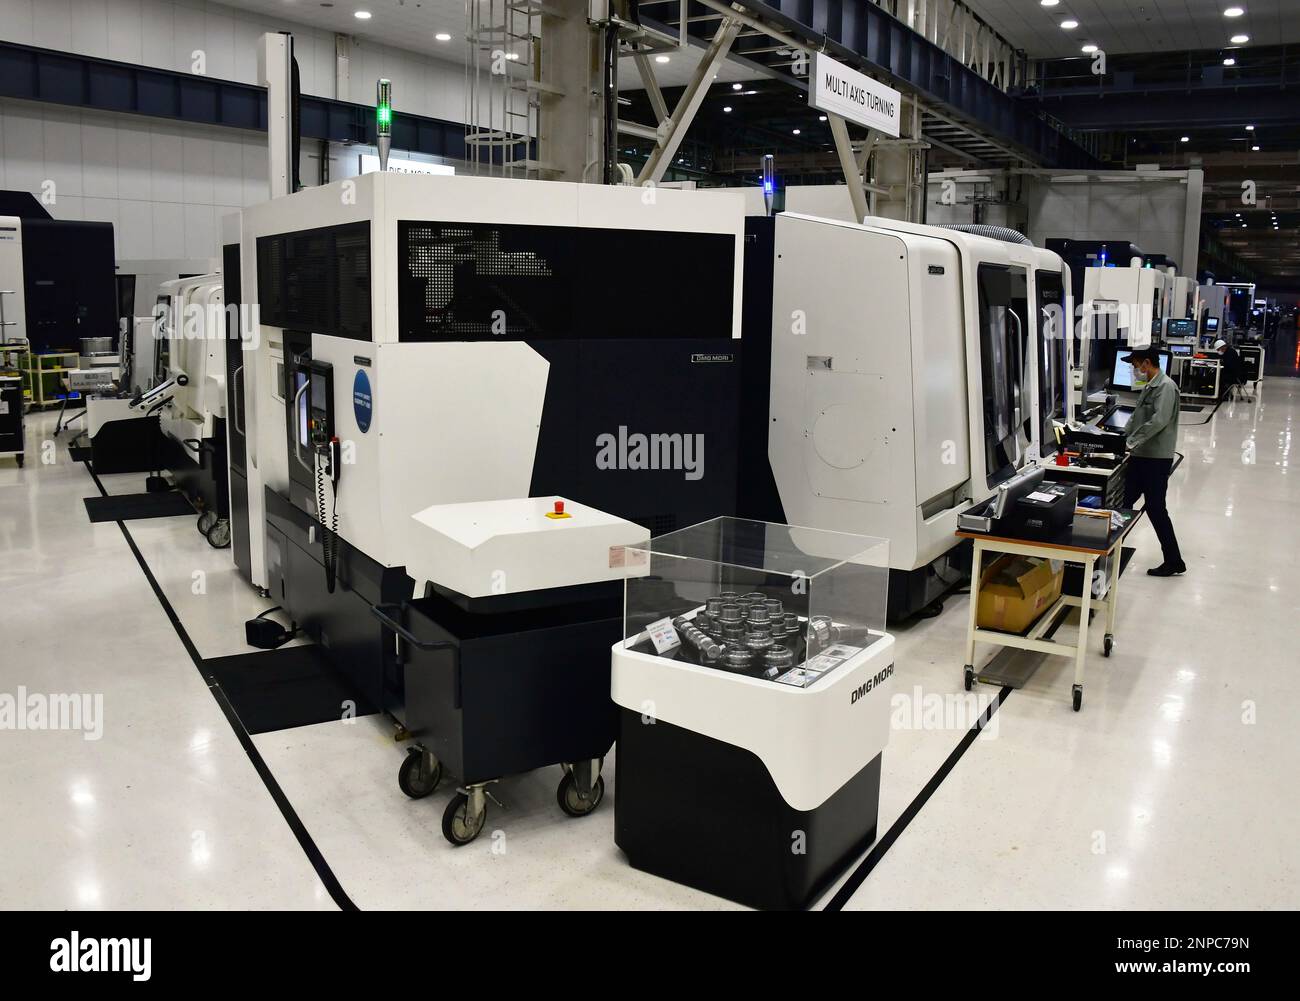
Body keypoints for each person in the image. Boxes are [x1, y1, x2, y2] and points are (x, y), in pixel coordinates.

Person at [1122, 347, 1185, 577]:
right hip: (1141, 456)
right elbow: (1137, 417)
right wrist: (1120, 438)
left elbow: (1159, 421)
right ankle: (1108, 550)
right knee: (1123, 502)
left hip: (1155, 459)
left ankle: (1174, 560)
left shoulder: (1166, 387)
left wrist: (1131, 441)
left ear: (1147, 363)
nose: (1134, 369)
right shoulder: (1150, 386)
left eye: (1135, 365)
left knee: (1156, 509)